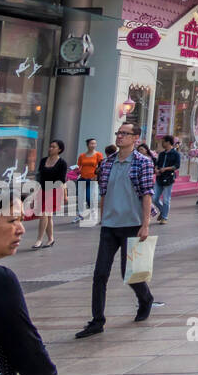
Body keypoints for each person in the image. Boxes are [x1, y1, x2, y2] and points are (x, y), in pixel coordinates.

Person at [75, 122, 156, 339]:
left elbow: (147, 194)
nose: (119, 137)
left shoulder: (143, 163)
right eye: (118, 133)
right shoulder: (108, 163)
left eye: (124, 134)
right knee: (99, 274)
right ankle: (97, 321)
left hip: (132, 224)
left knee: (129, 274)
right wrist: (102, 218)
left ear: (135, 138)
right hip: (110, 226)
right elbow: (103, 193)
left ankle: (145, 299)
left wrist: (145, 225)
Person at [0, 198, 56, 375]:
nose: (21, 229)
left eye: (21, 220)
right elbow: (29, 353)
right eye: (12, 220)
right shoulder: (0, 281)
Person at [31, 140, 67, 250]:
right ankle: (51, 238)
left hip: (55, 190)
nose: (50, 148)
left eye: (53, 147)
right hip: (42, 190)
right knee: (48, 216)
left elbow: (62, 180)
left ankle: (39, 239)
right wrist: (34, 196)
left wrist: (65, 195)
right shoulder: (43, 161)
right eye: (50, 146)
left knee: (44, 214)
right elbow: (39, 178)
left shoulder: (62, 163)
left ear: (59, 149)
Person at [153, 136, 181, 224]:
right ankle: (162, 211)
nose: (162, 143)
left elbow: (177, 166)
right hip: (159, 177)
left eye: (163, 141)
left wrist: (165, 169)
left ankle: (164, 217)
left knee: (166, 199)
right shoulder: (161, 154)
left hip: (169, 177)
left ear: (168, 142)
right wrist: (156, 169)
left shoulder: (176, 154)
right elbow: (157, 164)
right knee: (154, 198)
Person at [75, 138, 102, 222]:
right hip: (82, 178)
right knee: (80, 198)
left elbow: (101, 166)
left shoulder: (98, 155)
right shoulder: (82, 156)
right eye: (91, 143)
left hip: (92, 179)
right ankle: (80, 215)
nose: (93, 145)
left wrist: (97, 176)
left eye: (95, 143)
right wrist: (76, 172)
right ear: (87, 145)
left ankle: (93, 215)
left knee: (90, 198)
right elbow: (78, 166)